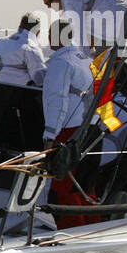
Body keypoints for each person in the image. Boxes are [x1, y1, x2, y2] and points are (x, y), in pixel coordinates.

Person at [41, 25, 97, 227]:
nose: (47, 39)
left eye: (49, 35)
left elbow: (57, 100)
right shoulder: (85, 59)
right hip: (91, 128)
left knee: (63, 184)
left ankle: (72, 229)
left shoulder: (61, 63)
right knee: (85, 185)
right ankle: (93, 224)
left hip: (68, 131)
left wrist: (49, 136)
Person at [42, 0, 127, 49]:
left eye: (49, 3)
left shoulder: (69, 3)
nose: (49, 7)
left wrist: (84, 62)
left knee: (77, 33)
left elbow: (80, 40)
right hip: (123, 5)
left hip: (114, 15)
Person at [0, 13, 48, 86]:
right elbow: (40, 78)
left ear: (19, 27)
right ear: (37, 32)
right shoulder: (31, 47)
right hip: (18, 93)